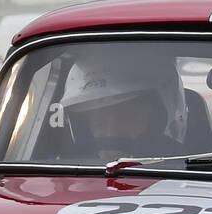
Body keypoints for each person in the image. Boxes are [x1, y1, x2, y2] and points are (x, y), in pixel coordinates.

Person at [49, 50, 190, 161]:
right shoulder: (68, 182)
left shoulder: (191, 187)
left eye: (127, 118)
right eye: (99, 123)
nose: (111, 134)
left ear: (160, 119)